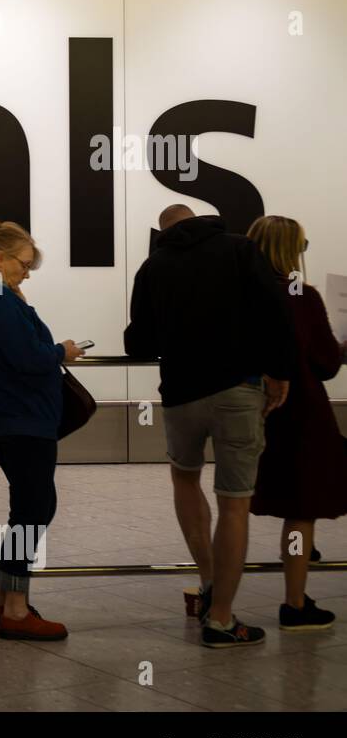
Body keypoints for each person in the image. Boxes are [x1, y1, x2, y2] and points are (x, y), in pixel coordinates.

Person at [125, 204, 296, 648]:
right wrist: (279, 371)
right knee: (234, 503)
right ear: (199, 219)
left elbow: (138, 341)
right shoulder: (241, 250)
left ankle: (207, 582)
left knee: (185, 478)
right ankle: (221, 619)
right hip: (239, 389)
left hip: (181, 394)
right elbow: (274, 313)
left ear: (164, 231)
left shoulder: (153, 267)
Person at [0, 221, 82, 642]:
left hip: (6, 417)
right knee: (32, 509)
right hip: (21, 417)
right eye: (24, 265)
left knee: (34, 505)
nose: (27, 273)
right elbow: (28, 356)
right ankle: (15, 608)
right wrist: (61, 351)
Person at [247, 215, 345, 630]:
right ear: (290, 251)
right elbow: (324, 362)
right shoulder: (300, 295)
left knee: (254, 502)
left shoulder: (239, 293)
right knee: (301, 509)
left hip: (251, 412)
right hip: (303, 411)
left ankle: (217, 600)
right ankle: (294, 601)